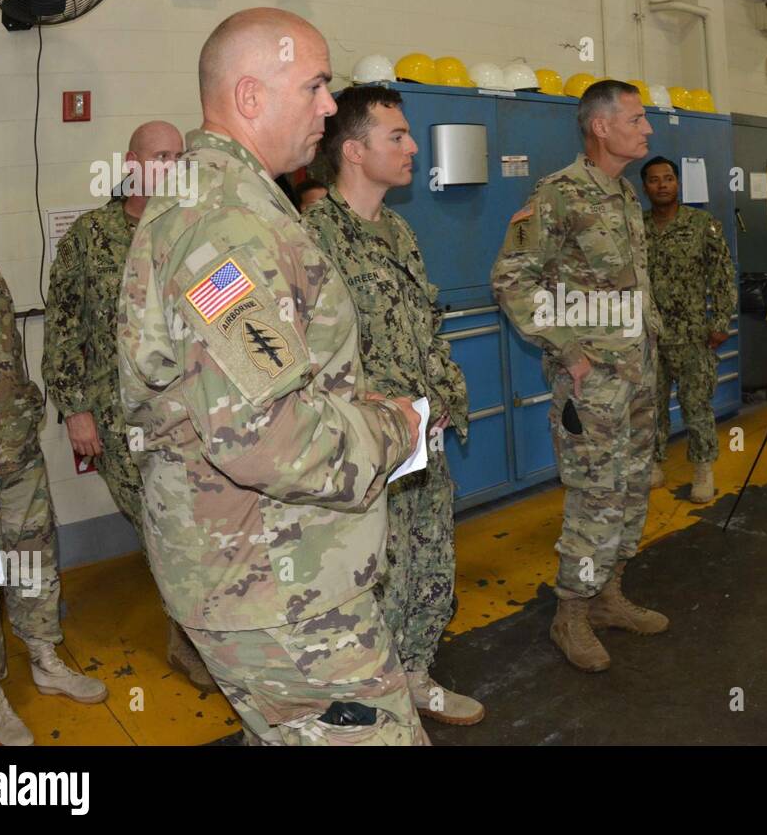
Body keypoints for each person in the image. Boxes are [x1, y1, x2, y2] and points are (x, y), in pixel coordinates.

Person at [117, 8, 426, 745]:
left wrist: (350, 400)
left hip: (262, 563)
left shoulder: (229, 202)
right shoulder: (226, 224)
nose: (329, 106)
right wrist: (395, 428)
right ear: (251, 97)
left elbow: (263, 385)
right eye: (316, 85)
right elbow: (264, 438)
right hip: (273, 582)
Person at [303, 84, 482, 725]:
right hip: (366, 445)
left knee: (429, 558)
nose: (412, 148)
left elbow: (420, 319)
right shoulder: (313, 239)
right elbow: (308, 356)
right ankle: (375, 699)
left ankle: (416, 673)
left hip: (422, 433)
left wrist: (443, 397)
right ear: (354, 150)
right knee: (372, 574)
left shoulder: (399, 229)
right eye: (397, 137)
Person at [490, 80, 666, 673]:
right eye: (637, 119)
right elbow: (512, 279)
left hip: (639, 373)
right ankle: (572, 613)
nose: (646, 129)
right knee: (596, 496)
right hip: (592, 385)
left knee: (635, 487)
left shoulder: (624, 195)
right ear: (601, 127)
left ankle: (609, 595)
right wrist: (569, 353)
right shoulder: (558, 194)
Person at [0, 157, 108, 746]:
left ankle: (45, 658)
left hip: (17, 459)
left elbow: (9, 357)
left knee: (35, 562)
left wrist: (29, 419)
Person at [42, 121, 214, 693]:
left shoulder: (190, 229)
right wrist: (74, 410)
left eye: (178, 156)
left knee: (192, 528)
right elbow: (63, 327)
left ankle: (198, 633)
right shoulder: (91, 237)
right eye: (160, 155)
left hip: (189, 411)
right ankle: (188, 640)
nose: (171, 165)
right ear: (132, 162)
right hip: (119, 418)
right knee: (160, 527)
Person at [640, 155, 736, 503]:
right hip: (649, 338)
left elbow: (723, 275)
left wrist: (721, 321)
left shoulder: (701, 224)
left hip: (694, 336)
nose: (662, 184)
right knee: (650, 406)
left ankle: (702, 470)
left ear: (677, 183)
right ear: (645, 186)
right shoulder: (637, 227)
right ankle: (653, 463)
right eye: (654, 179)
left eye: (668, 178)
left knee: (696, 405)